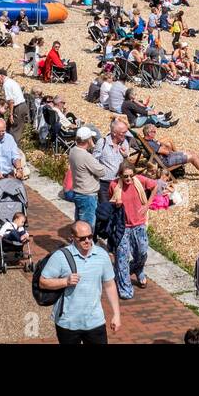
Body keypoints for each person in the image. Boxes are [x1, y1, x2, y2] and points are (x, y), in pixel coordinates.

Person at [37, 220, 121, 345]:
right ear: (72, 238)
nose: (87, 241)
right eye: (82, 238)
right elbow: (43, 282)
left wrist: (116, 314)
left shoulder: (102, 255)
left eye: (90, 237)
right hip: (67, 322)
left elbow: (109, 285)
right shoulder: (60, 257)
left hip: (95, 321)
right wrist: (65, 281)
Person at [109, 164, 158, 299]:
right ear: (120, 175)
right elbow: (110, 205)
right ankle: (125, 288)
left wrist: (147, 204)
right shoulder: (114, 185)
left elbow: (155, 186)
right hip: (122, 227)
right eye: (125, 176)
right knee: (122, 258)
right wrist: (116, 204)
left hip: (139, 225)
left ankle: (137, 269)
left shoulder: (140, 180)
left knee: (142, 252)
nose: (129, 178)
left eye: (131, 175)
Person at [67, 128, 110, 228]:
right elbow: (101, 171)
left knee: (79, 223)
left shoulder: (73, 151)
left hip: (78, 192)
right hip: (88, 195)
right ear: (88, 140)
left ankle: (76, 242)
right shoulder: (86, 156)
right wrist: (94, 147)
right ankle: (85, 243)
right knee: (87, 227)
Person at [0, 68, 30, 136]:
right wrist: (5, 107)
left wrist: (10, 115)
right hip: (22, 106)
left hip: (18, 108)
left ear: (1, 76)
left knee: (14, 131)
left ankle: (13, 145)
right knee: (9, 127)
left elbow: (11, 101)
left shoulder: (6, 84)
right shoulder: (11, 82)